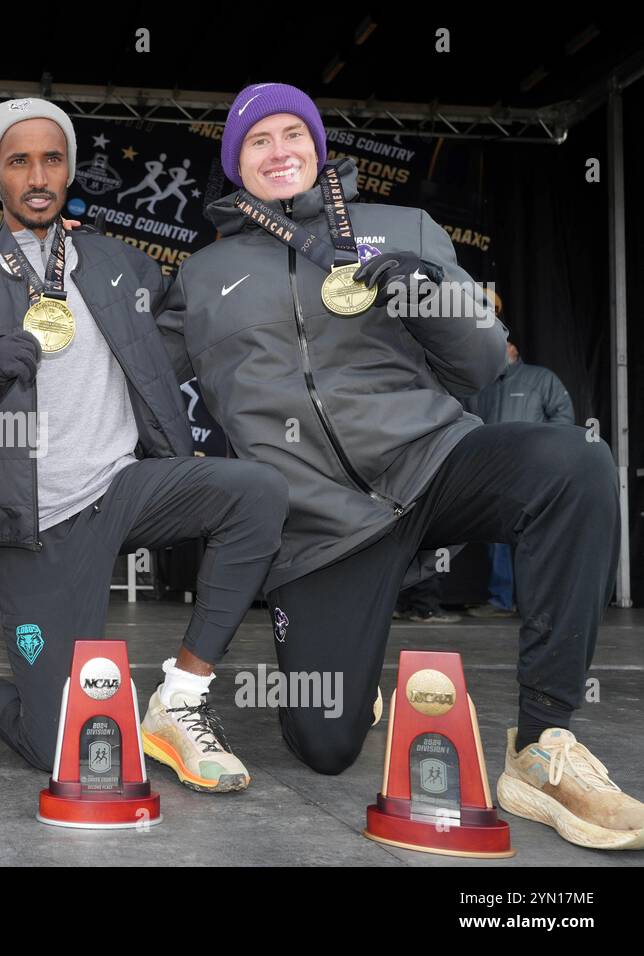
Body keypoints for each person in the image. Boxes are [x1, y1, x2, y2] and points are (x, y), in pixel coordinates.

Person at [159, 82, 640, 848]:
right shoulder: (204, 277)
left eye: (294, 134)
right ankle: (355, 684)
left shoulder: (399, 225)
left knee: (574, 462)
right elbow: (140, 372)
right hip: (318, 524)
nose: (280, 150)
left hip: (434, 461)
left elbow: (482, 361)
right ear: (234, 162)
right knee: (325, 747)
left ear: (317, 147)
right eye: (258, 140)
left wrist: (429, 289)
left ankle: (543, 745)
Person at [0, 98, 288, 793]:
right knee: (55, 750)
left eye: (52, 158)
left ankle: (179, 701)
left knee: (256, 492)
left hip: (126, 490)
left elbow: (186, 321)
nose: (39, 175)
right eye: (20, 161)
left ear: (69, 169)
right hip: (32, 524)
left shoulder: (115, 264)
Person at [466, 331, 575, 618]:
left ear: (513, 347)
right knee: (497, 538)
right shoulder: (482, 385)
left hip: (534, 471)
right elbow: (468, 424)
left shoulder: (541, 378)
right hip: (494, 473)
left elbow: (563, 418)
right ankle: (500, 600)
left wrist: (544, 452)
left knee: (540, 536)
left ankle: (541, 603)